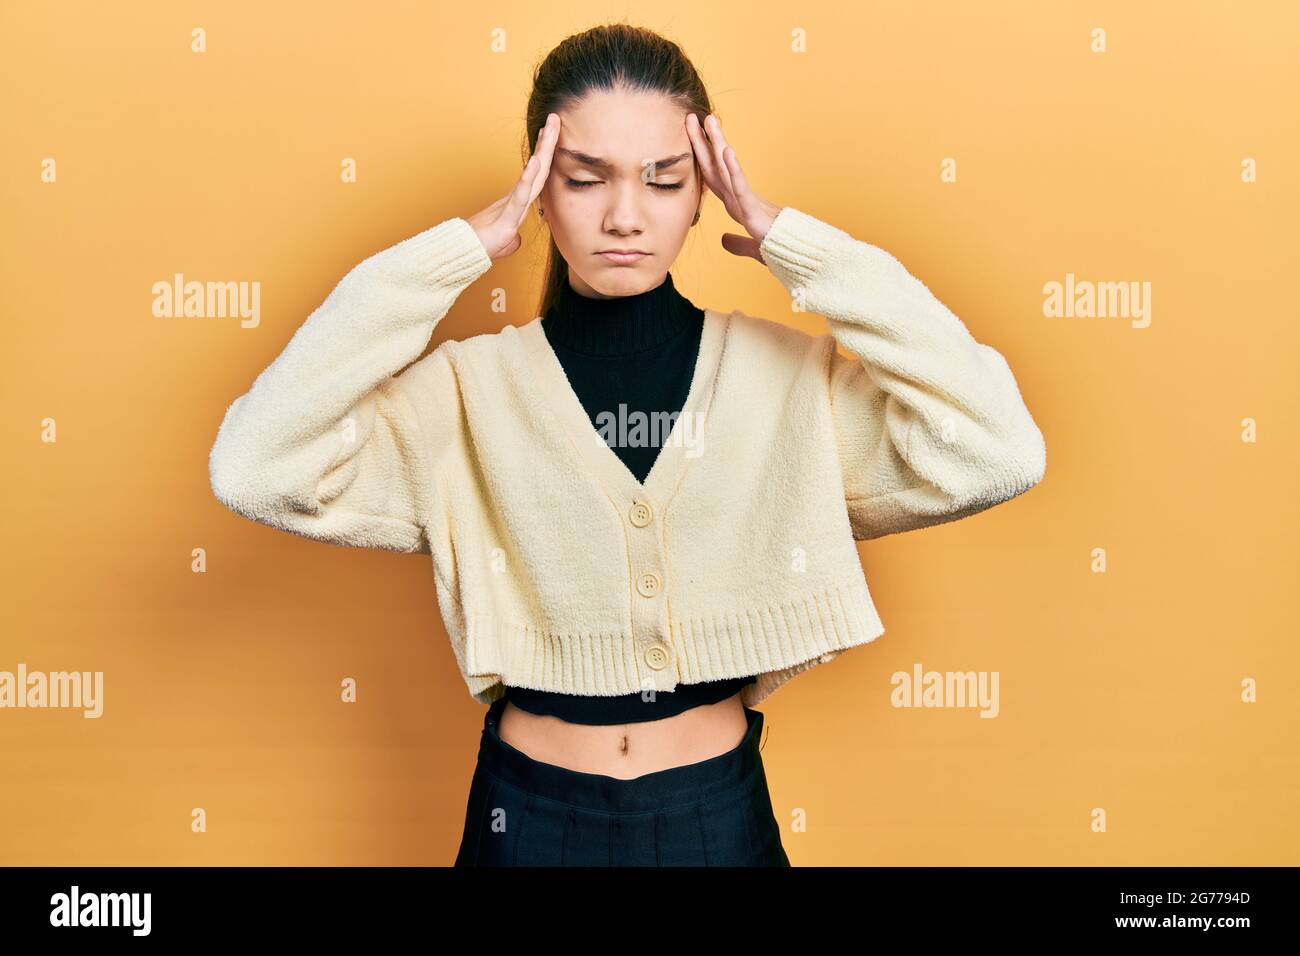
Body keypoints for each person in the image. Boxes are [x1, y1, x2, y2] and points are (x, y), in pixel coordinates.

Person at [208, 23, 1046, 867]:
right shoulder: (464, 395)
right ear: (538, 191)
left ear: (703, 193)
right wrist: (453, 256)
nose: (623, 215)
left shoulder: (789, 384)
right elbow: (256, 467)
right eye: (583, 178)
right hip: (524, 822)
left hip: (716, 817)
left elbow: (997, 448)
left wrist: (801, 248)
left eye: (663, 179)